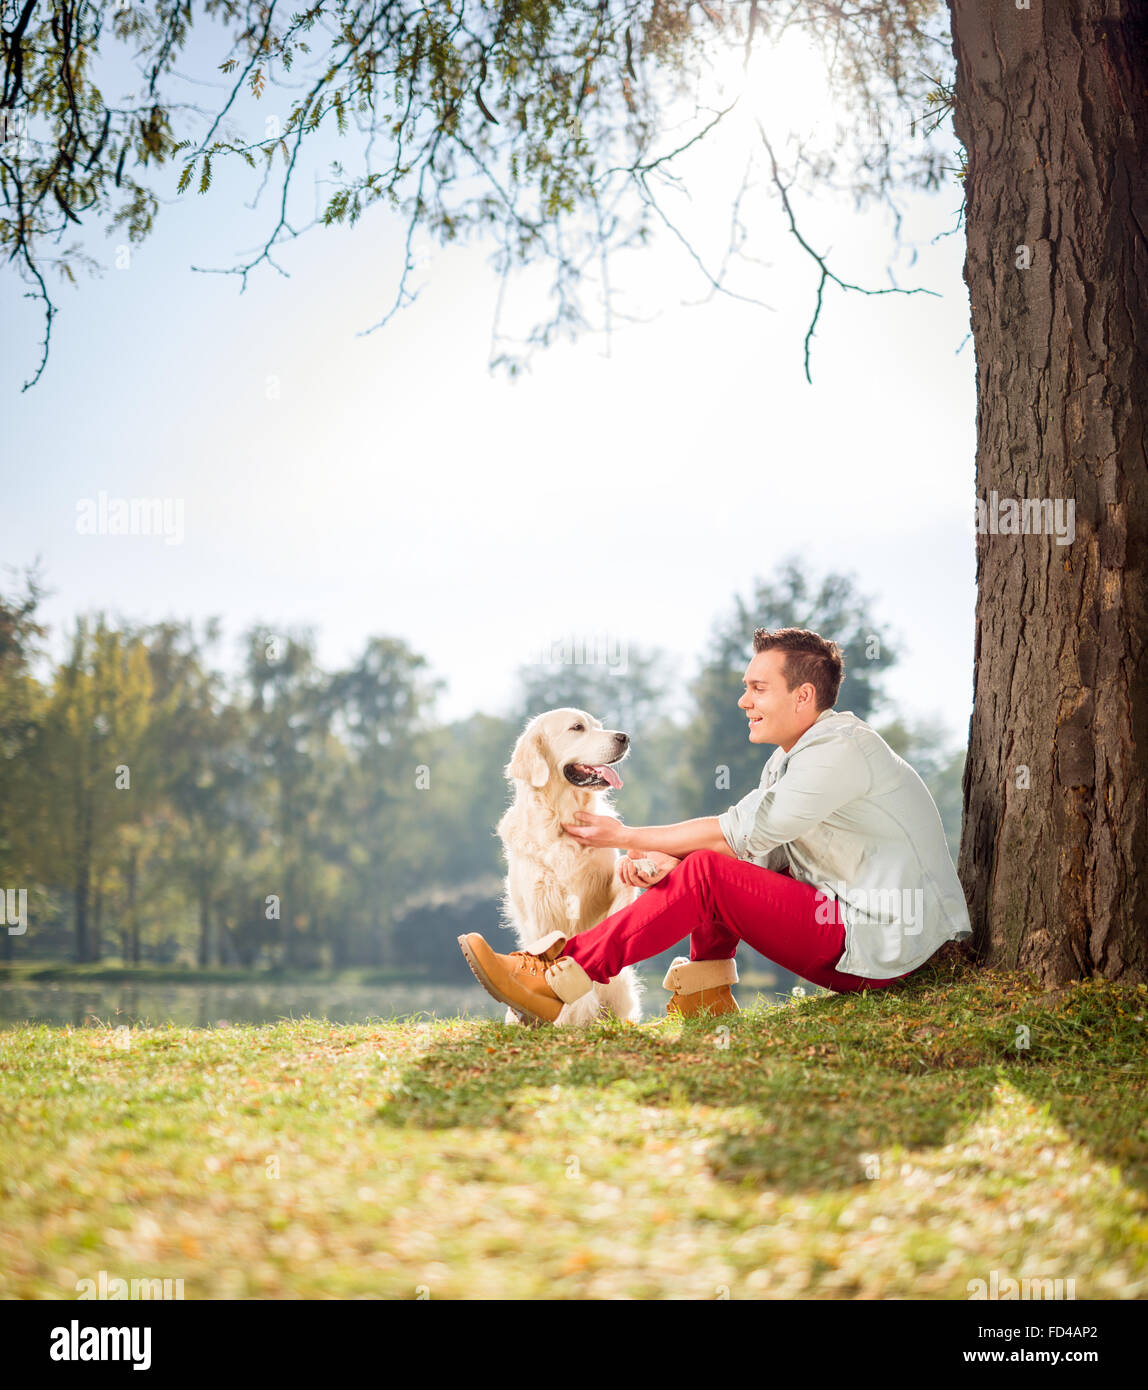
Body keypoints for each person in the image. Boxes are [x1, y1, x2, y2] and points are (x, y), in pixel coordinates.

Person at [458, 627, 972, 1024]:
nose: (744, 701)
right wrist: (668, 861)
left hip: (890, 949)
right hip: (858, 938)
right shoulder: (793, 760)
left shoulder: (840, 752)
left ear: (803, 697)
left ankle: (555, 978)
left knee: (706, 871)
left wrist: (628, 838)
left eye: (757, 688)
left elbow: (736, 834)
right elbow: (754, 851)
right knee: (701, 867)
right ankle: (706, 996)